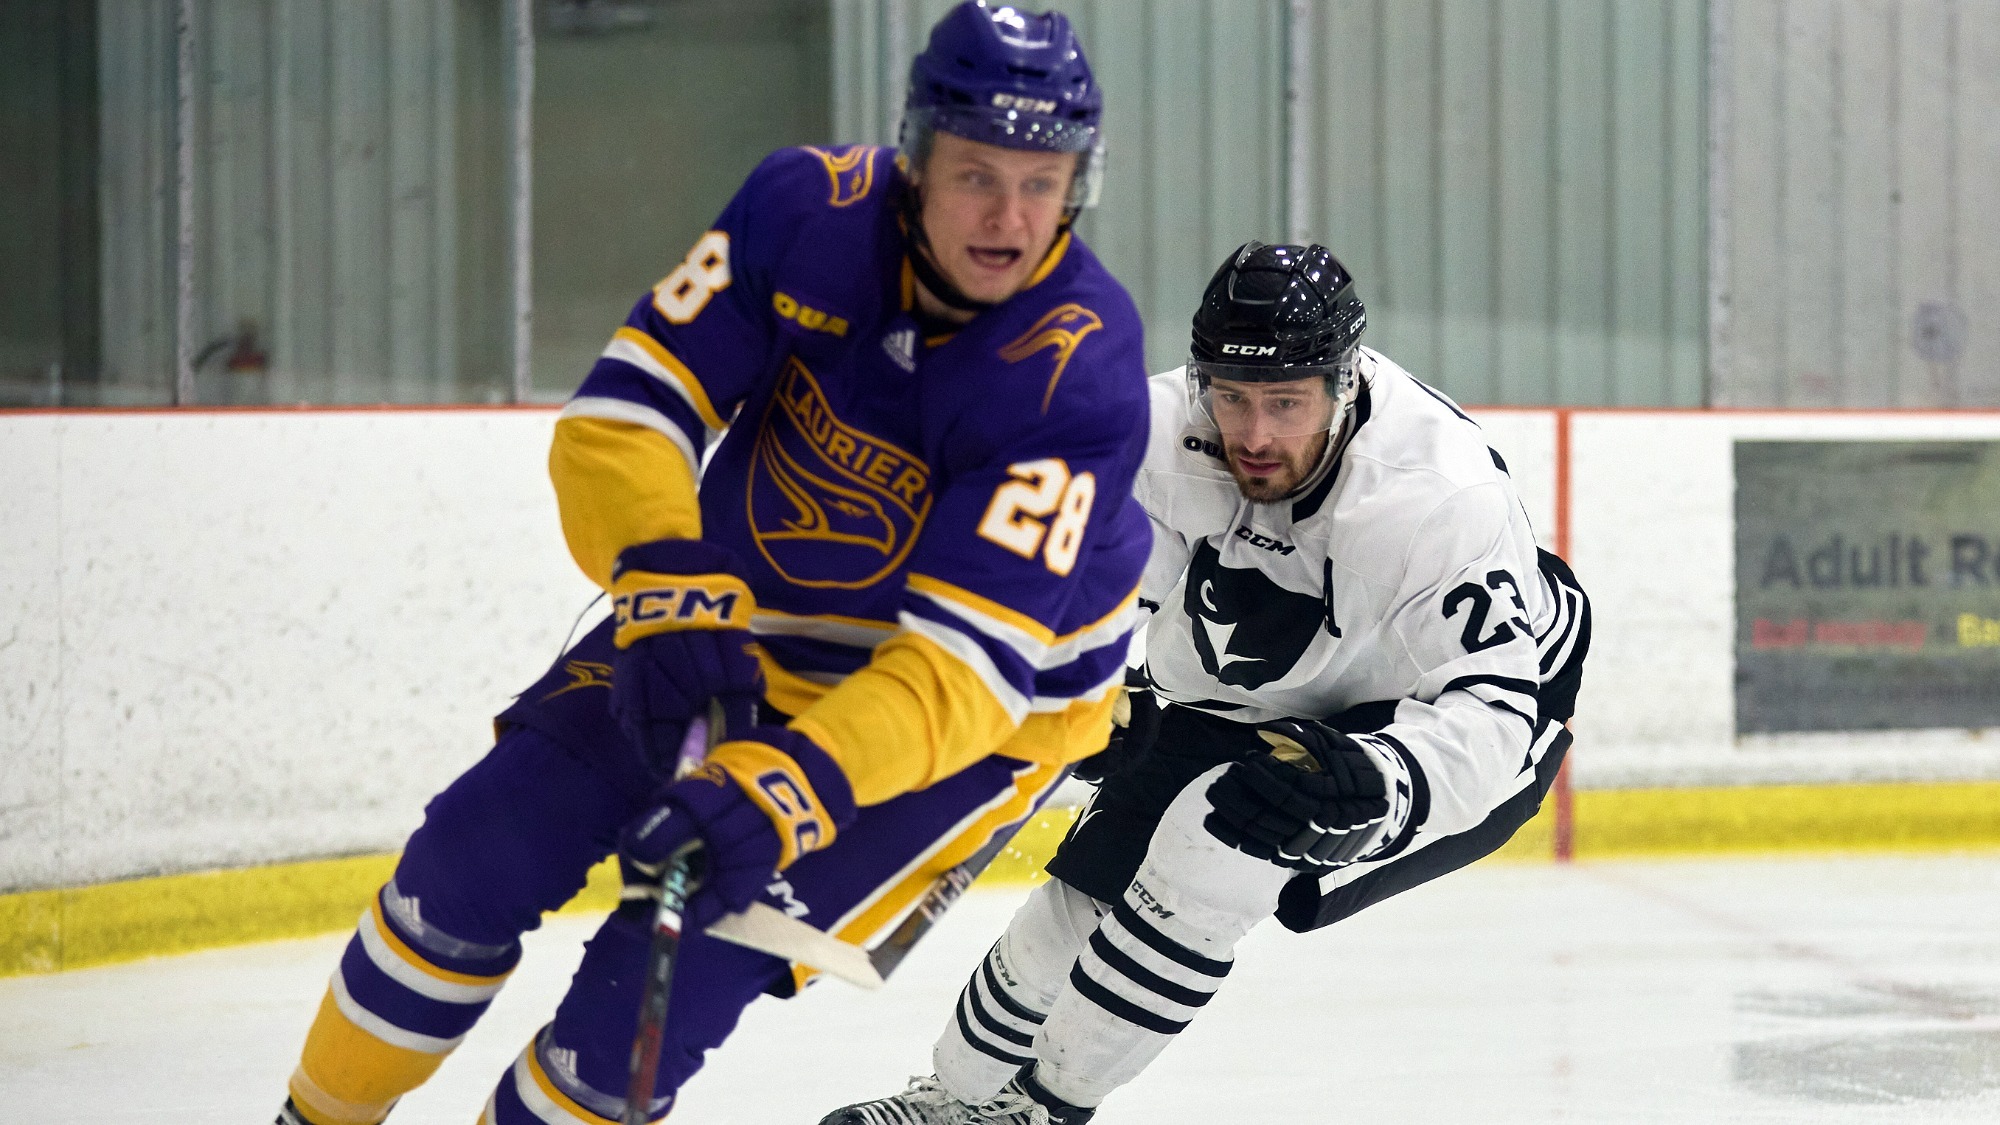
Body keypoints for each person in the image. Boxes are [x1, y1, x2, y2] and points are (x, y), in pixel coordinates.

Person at [275, 5, 1152, 1124]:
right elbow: (627, 413)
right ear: (916, 157)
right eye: (976, 175)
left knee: (625, 1030)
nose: (1009, 217)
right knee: (462, 866)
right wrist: (663, 584)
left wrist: (786, 789)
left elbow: (959, 678)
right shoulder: (806, 209)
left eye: (1041, 183)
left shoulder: (1077, 367)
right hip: (746, 629)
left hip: (970, 723)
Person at [819, 242, 1593, 1125]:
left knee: (1214, 841)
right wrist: (1091, 688)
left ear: (1344, 383)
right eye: (1232, 396)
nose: (1253, 435)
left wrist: (1387, 782)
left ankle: (1042, 1110)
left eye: (1286, 402)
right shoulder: (1157, 433)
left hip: (1425, 717)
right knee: (1087, 888)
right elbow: (1102, 596)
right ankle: (953, 1098)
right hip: (1248, 683)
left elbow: (1492, 713)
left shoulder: (1435, 493)